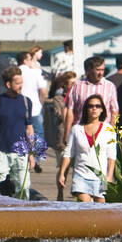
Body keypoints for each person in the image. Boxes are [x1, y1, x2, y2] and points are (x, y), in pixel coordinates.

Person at [0, 65, 36, 199]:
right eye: (17, 83)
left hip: (21, 152)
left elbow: (29, 129)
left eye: (22, 83)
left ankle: (22, 215)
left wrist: (31, 153)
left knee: (23, 187)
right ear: (8, 84)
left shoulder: (26, 102)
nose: (21, 86)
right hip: (0, 151)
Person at [58, 94, 116, 203]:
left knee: (101, 212)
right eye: (91, 106)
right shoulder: (76, 129)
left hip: (101, 177)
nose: (94, 108)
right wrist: (62, 173)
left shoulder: (109, 129)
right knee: (86, 209)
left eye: (98, 106)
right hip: (81, 175)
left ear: (102, 109)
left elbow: (111, 155)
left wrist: (109, 176)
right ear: (86, 109)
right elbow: (68, 153)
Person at [65, 55, 119, 132]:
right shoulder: (77, 86)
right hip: (81, 131)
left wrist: (111, 131)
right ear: (88, 70)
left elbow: (114, 111)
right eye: (98, 70)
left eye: (102, 70)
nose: (101, 73)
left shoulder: (110, 86)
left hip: (102, 131)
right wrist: (67, 133)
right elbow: (70, 110)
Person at [47, 70, 78, 200]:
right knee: (63, 168)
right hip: (62, 139)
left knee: (78, 167)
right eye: (72, 83)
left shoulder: (79, 97)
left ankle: (76, 191)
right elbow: (60, 116)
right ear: (65, 85)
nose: (75, 86)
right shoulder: (58, 99)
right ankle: (60, 192)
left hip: (77, 137)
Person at [19, 47, 49, 171]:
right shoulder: (34, 72)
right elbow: (43, 91)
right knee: (38, 133)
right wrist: (41, 103)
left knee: (21, 133)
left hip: (19, 106)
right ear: (26, 61)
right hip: (35, 107)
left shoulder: (15, 72)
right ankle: (36, 159)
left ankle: (22, 156)